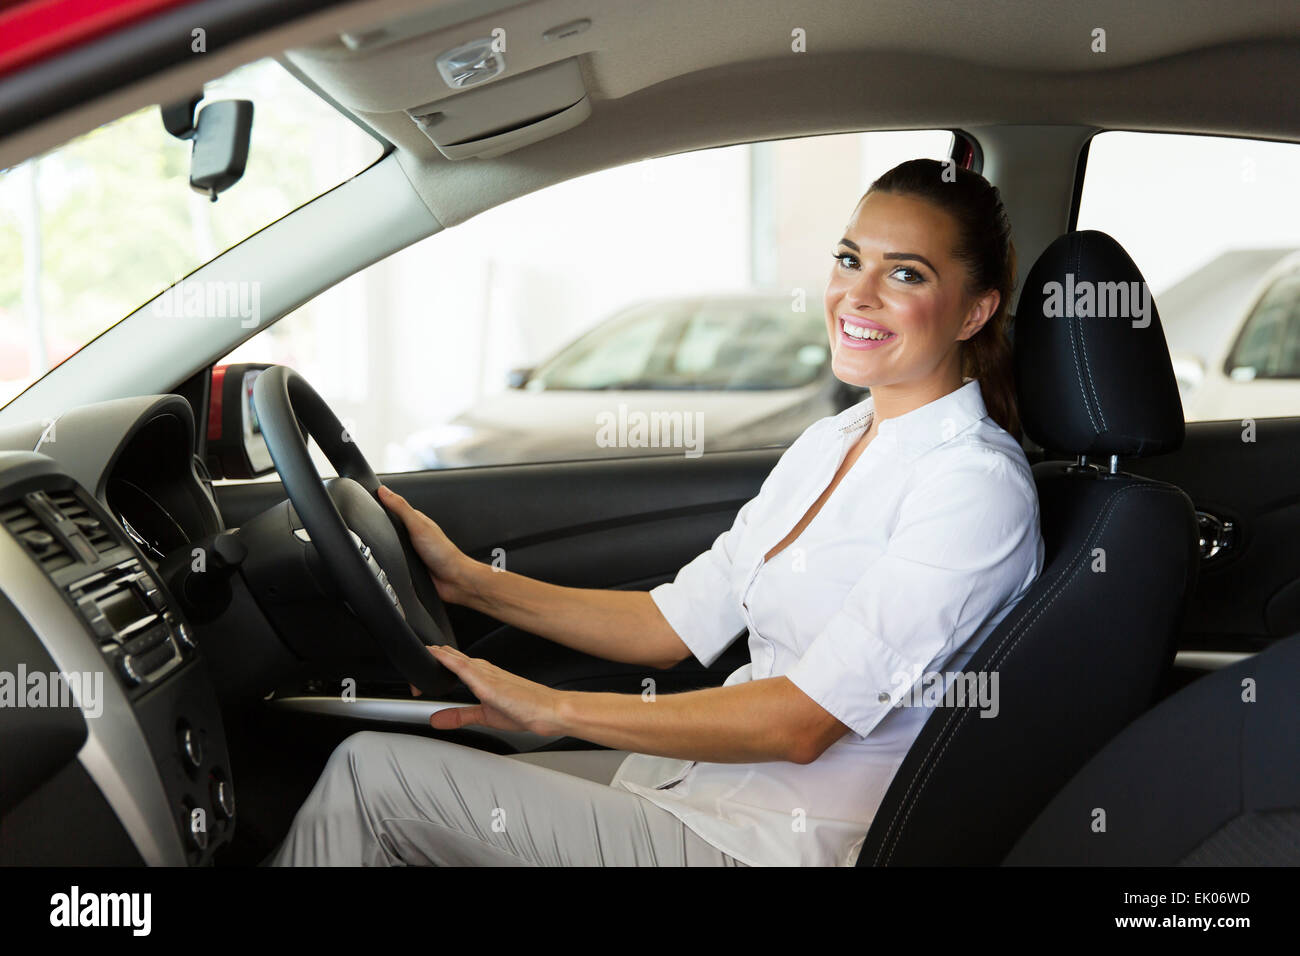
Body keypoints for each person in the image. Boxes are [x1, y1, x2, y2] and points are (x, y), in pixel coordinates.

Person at [269, 157, 1046, 867]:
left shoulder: (971, 487)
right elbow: (670, 626)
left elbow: (803, 724)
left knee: (373, 779)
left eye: (904, 274)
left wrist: (550, 707)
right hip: (708, 791)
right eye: (849, 259)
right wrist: (470, 582)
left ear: (975, 312)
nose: (857, 295)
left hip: (779, 844)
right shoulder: (834, 439)